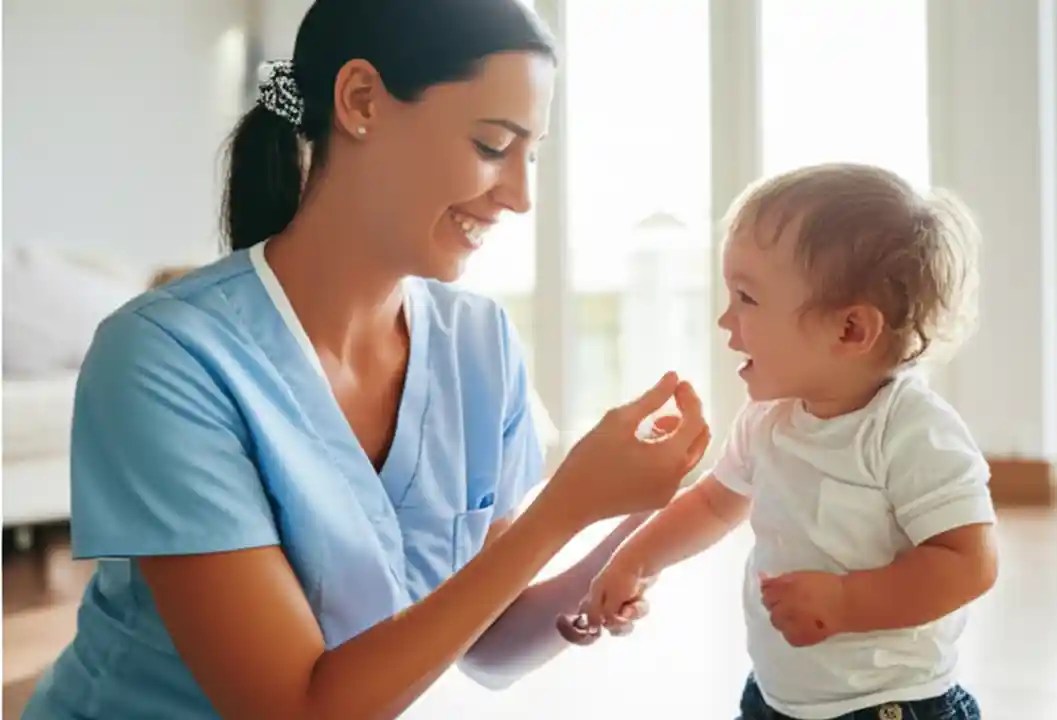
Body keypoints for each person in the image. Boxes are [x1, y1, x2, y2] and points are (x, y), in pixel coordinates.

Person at [21, 1, 710, 718]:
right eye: (491, 144)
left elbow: (490, 641)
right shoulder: (165, 358)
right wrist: (567, 503)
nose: (521, 196)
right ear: (361, 102)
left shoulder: (480, 343)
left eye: (531, 154)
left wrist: (634, 533)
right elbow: (297, 709)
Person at [573, 164, 997, 720]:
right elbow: (713, 503)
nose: (726, 321)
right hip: (778, 695)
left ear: (849, 330)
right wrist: (635, 559)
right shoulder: (768, 419)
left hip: (886, 704)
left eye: (746, 298)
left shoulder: (912, 430)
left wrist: (847, 603)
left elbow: (969, 562)